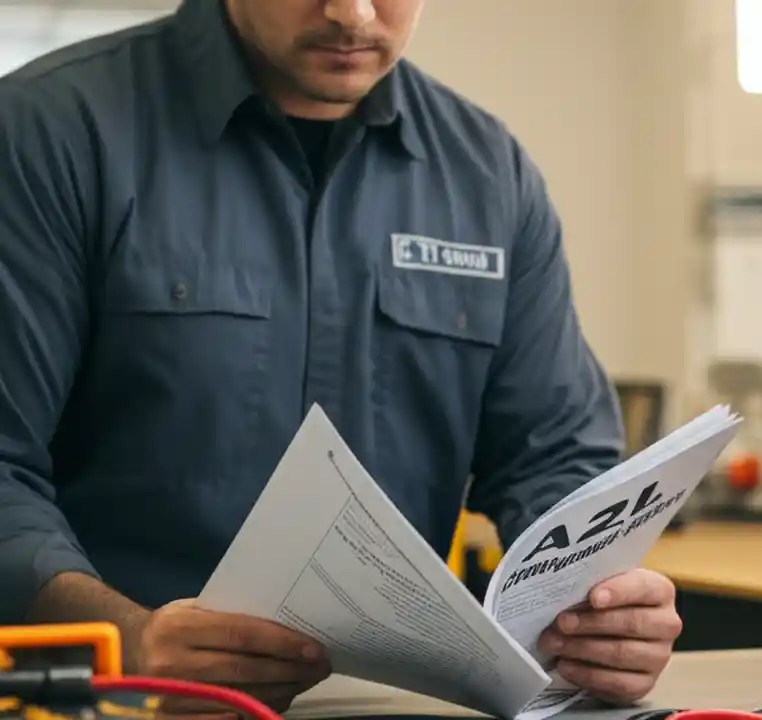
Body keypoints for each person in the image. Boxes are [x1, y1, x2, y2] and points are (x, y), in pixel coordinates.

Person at [0, 0, 683, 714]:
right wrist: (130, 639)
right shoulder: (48, 131)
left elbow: (555, 458)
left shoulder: (487, 173)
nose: (352, 13)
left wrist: (598, 608)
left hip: (389, 705)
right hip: (112, 699)